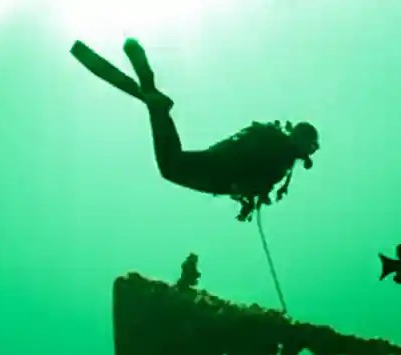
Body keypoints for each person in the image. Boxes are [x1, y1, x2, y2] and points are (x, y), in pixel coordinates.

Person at [72, 38, 319, 222]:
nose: (309, 151)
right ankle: (157, 107)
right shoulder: (281, 157)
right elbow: (253, 177)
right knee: (170, 167)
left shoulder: (276, 143)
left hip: (217, 162)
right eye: (310, 146)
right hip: (219, 172)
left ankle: (156, 103)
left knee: (172, 163)